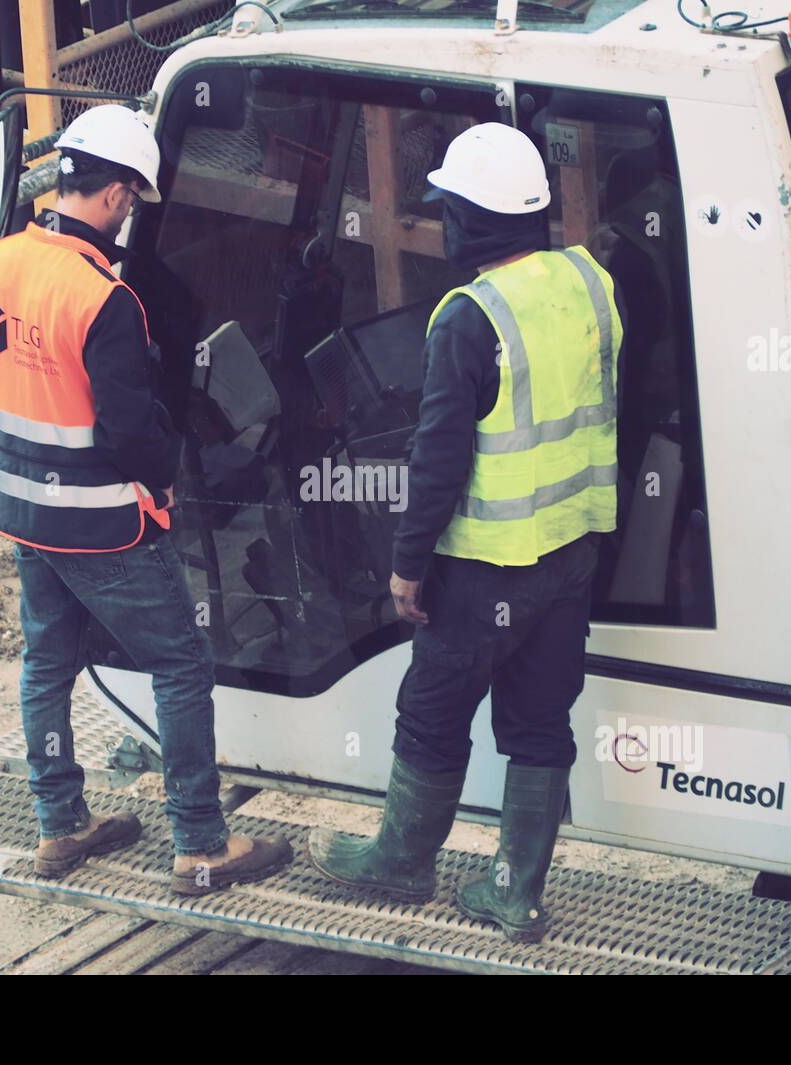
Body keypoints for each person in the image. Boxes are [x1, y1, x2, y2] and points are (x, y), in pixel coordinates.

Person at [0, 104, 290, 892]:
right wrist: (167, 474)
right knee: (179, 666)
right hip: (103, 525)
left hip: (22, 512)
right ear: (113, 198)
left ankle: (61, 824)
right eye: (133, 201)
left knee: (46, 664)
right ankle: (201, 842)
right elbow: (131, 432)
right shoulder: (105, 298)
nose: (131, 215)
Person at [308, 123, 622, 942]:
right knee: (541, 722)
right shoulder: (589, 281)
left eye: (447, 206)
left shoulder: (468, 318)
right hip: (571, 550)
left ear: (475, 220)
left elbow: (437, 457)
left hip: (486, 570)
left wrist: (407, 565)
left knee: (431, 712)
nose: (440, 219)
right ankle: (514, 893)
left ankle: (403, 861)